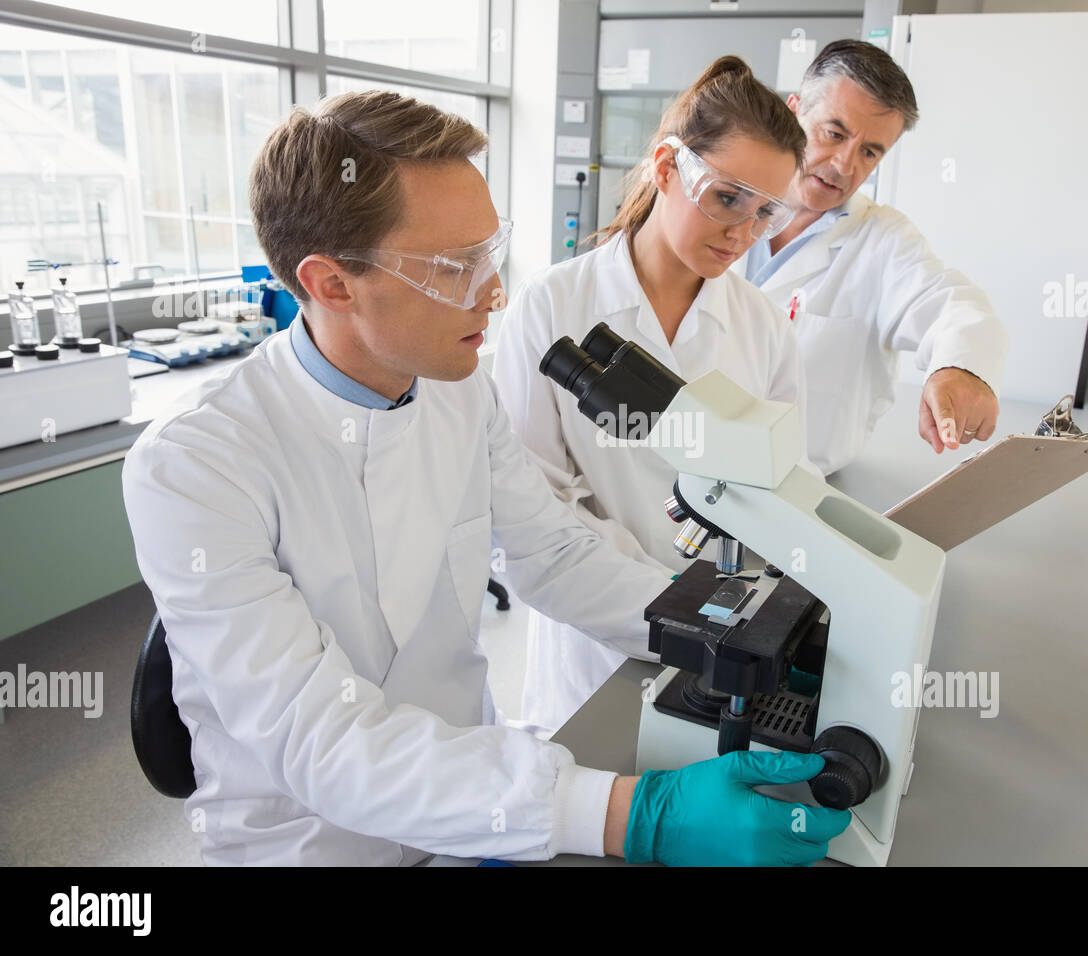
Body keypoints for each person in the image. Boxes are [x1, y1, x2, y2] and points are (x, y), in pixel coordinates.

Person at [121, 90, 848, 866]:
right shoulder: (195, 464)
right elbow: (319, 737)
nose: (494, 292)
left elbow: (552, 553)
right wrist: (635, 814)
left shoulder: (459, 389)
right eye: (453, 267)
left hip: (475, 803)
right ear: (332, 282)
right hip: (307, 843)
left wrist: (732, 632)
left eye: (489, 252)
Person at [492, 57, 809, 737]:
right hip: (595, 636)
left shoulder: (760, 324)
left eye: (766, 213)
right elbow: (527, 511)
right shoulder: (552, 306)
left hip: (731, 627)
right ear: (667, 168)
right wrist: (668, 601)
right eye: (727, 198)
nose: (743, 234)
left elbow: (785, 482)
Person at [741, 39, 1010, 476]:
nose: (845, 166)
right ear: (793, 111)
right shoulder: (728, 203)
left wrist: (960, 366)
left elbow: (951, 304)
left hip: (799, 485)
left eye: (870, 152)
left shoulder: (884, 239)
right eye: (834, 133)